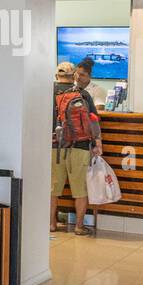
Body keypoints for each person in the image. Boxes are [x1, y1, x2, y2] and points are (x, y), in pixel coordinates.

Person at [51, 60, 102, 235]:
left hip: (54, 147)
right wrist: (96, 144)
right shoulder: (83, 94)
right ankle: (79, 227)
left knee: (52, 188)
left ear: (57, 74)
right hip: (79, 146)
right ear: (73, 75)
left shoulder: (45, 94)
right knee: (80, 189)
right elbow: (94, 121)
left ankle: (52, 224)